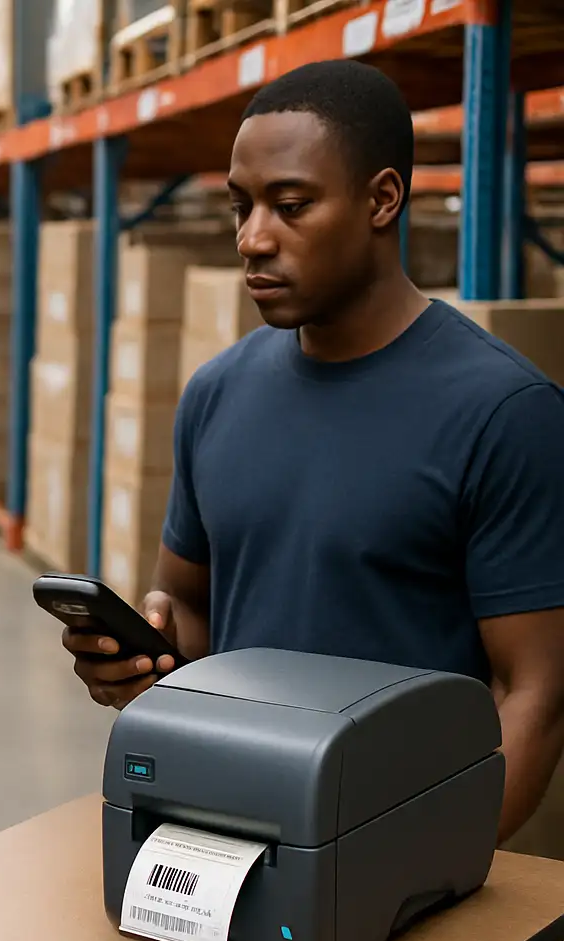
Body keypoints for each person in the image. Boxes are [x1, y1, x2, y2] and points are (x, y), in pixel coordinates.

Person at [64, 58, 564, 846]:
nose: (253, 238)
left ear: (382, 200)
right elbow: (191, 607)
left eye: (290, 205)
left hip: (399, 861)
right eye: (240, 207)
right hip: (222, 836)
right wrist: (143, 659)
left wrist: (424, 874)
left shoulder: (503, 412)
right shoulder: (216, 394)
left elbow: (534, 692)